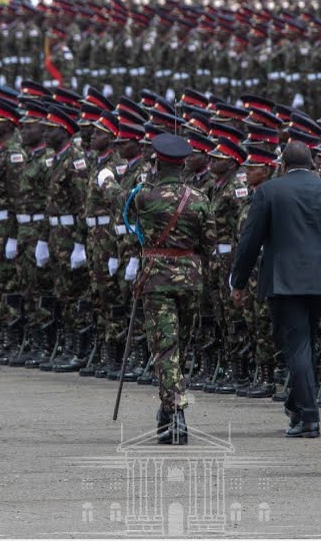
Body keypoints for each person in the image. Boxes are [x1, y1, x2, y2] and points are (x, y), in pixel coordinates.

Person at [230, 141, 321, 440]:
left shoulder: (269, 192)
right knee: (305, 342)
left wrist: (238, 281)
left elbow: (250, 241)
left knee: (296, 344)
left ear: (283, 165)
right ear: (312, 163)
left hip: (283, 281)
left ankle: (308, 417)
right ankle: (296, 403)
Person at [99, 133, 214, 445]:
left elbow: (117, 199)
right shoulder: (200, 199)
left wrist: (106, 179)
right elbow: (209, 244)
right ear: (184, 165)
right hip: (190, 280)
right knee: (180, 346)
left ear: (156, 163)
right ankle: (169, 409)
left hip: (156, 280)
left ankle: (176, 415)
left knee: (165, 348)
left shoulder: (145, 196)